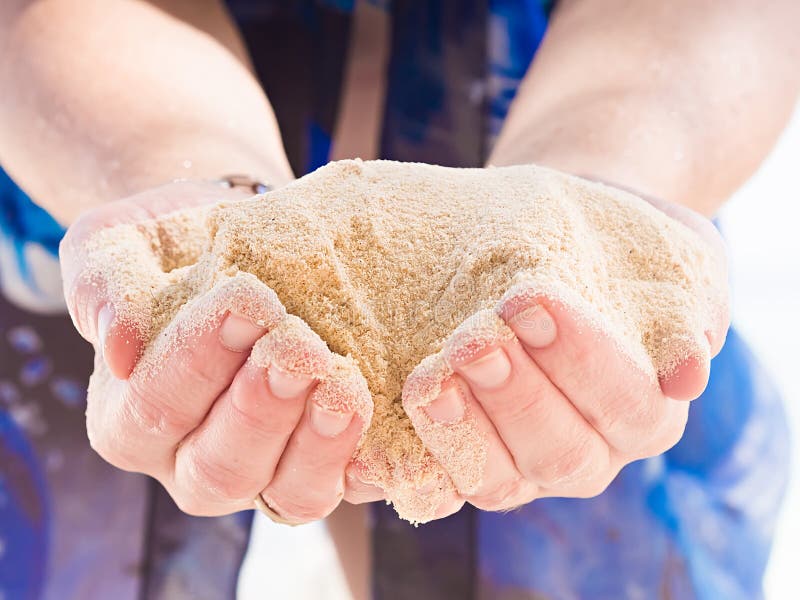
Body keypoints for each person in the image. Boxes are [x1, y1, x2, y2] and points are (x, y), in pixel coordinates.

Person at [0, 0, 797, 598]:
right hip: (103, 76)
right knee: (89, 527)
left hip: (572, 68)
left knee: (572, 491)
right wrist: (177, 172)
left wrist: (605, 185)